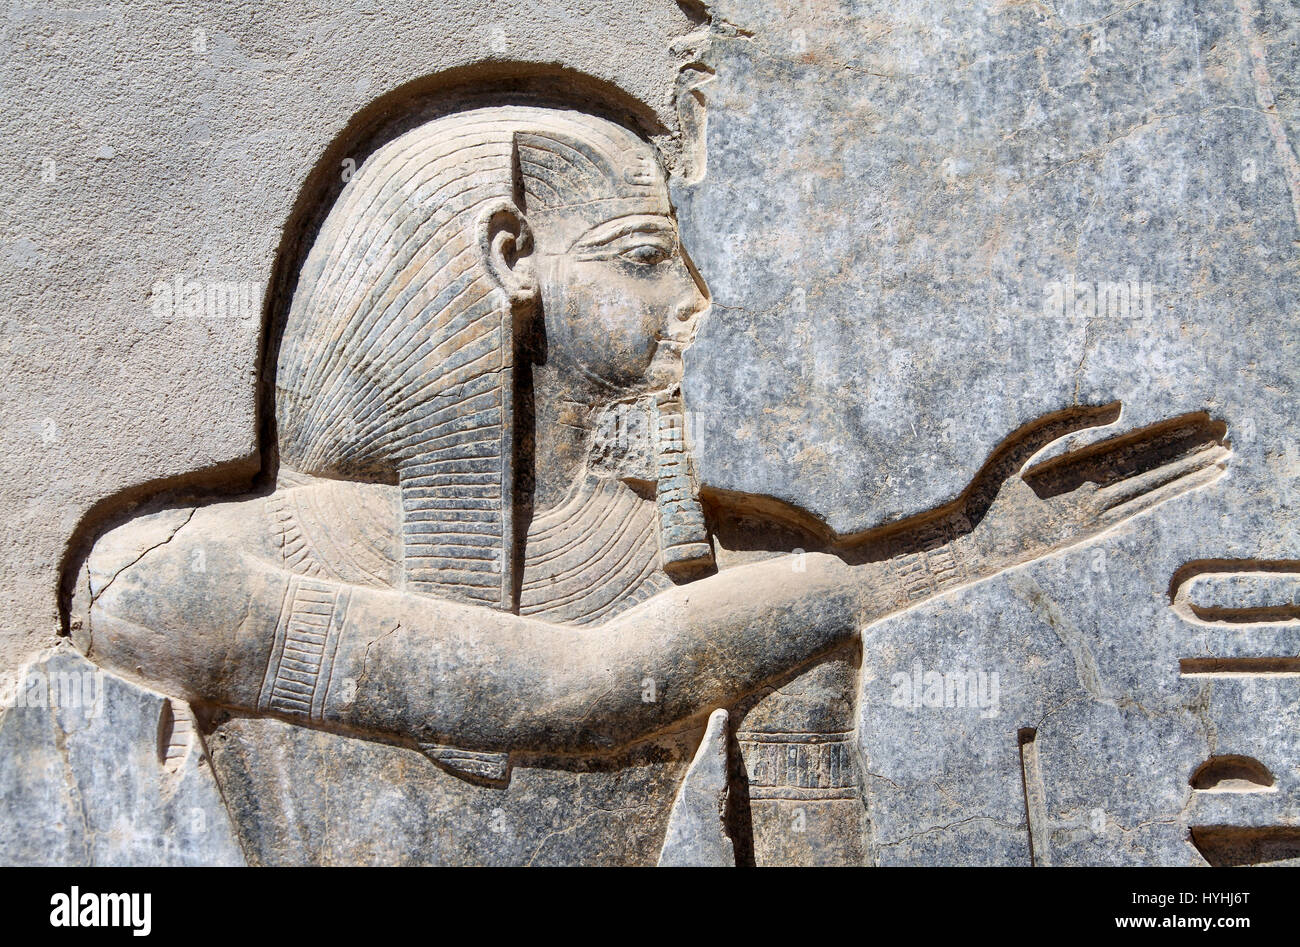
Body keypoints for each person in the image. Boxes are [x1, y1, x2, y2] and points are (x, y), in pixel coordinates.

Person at [69, 106, 1229, 780]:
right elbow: (579, 691)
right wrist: (958, 551)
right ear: (510, 255)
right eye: (639, 257)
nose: (694, 296)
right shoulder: (174, 573)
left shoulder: (741, 575)